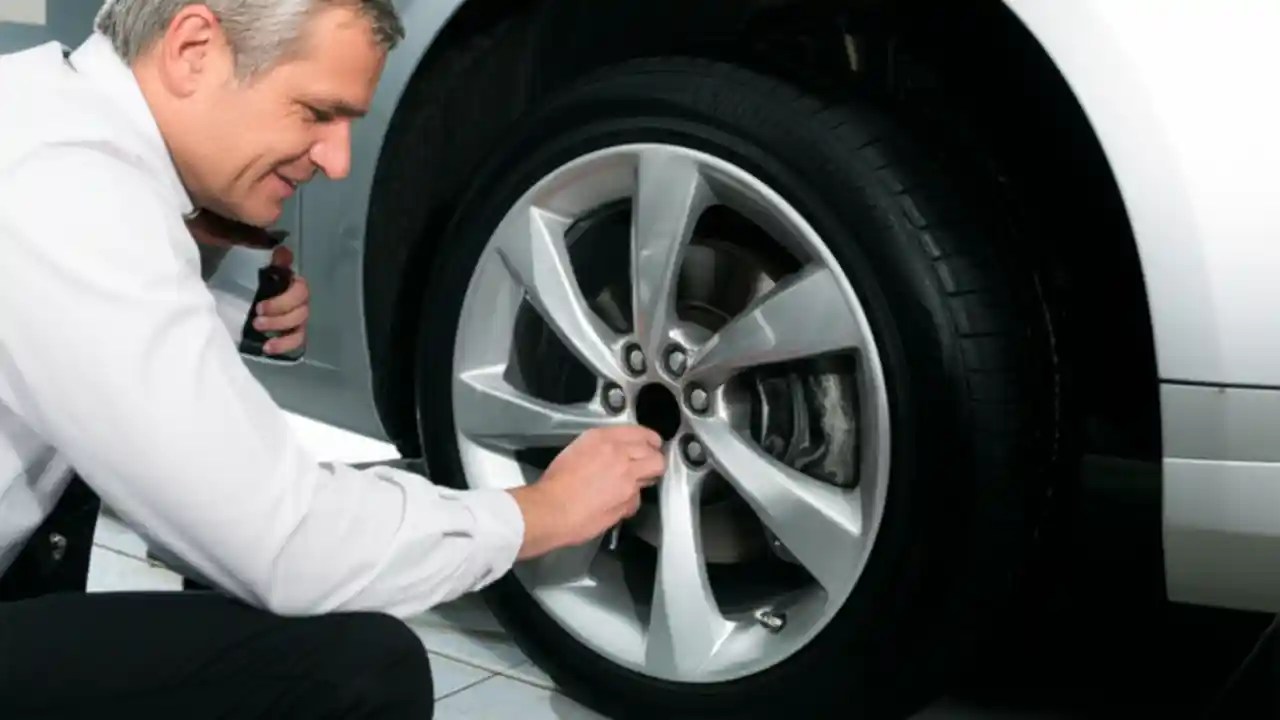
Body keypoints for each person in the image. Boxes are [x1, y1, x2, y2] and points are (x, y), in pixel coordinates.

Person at [0, 1, 666, 717]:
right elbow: (283, 544)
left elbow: (164, 423)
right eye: (317, 112)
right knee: (357, 668)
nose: (337, 159)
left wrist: (210, 266)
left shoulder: (39, 107)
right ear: (194, 48)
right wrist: (539, 513)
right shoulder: (70, 193)